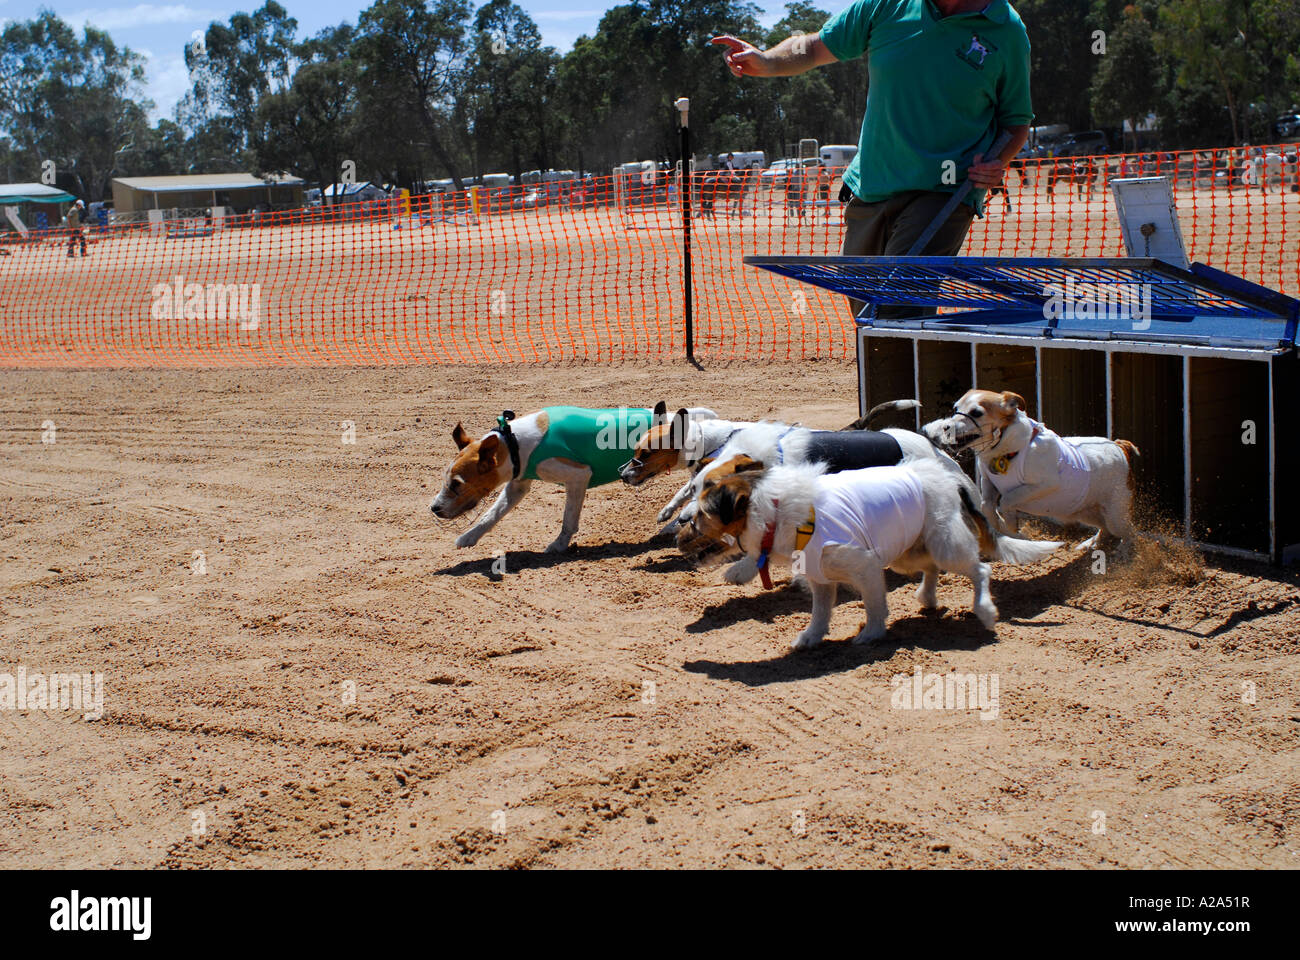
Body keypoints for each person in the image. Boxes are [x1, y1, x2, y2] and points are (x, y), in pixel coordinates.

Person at [714, 0, 1031, 318]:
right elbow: (812, 47)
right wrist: (767, 61)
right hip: (872, 182)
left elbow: (1016, 122)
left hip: (947, 186)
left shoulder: (1006, 29)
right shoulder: (886, 5)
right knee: (865, 307)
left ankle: (913, 364)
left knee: (899, 304)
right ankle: (915, 365)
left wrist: (997, 161)